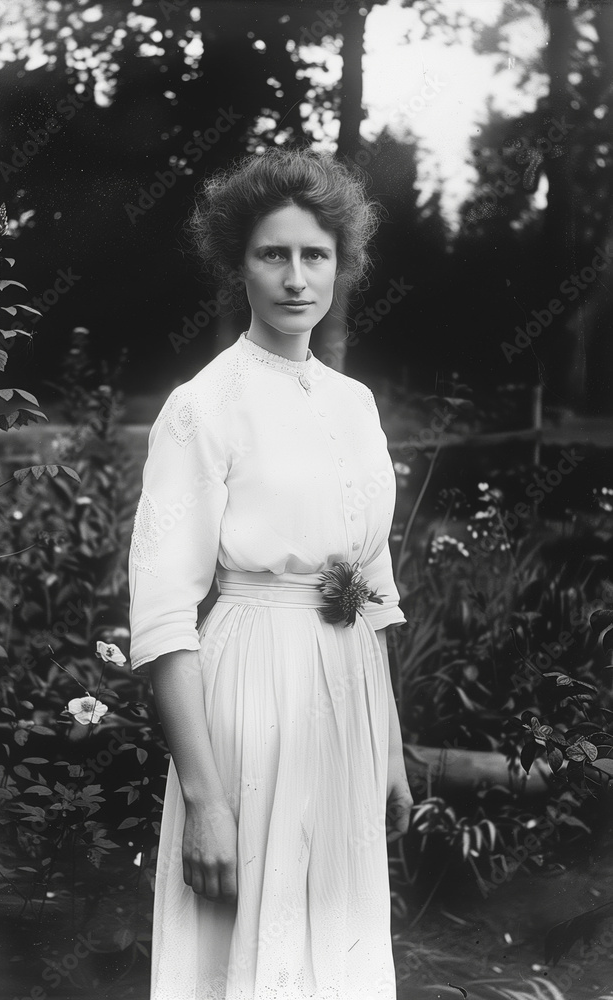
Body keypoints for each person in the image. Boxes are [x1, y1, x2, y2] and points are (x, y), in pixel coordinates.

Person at [128, 147, 413, 1000]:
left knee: (333, 952)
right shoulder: (202, 406)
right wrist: (206, 800)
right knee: (247, 949)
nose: (295, 278)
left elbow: (373, 591)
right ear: (237, 264)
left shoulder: (354, 404)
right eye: (272, 254)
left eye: (314, 255)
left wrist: (388, 750)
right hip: (251, 696)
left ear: (341, 263)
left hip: (347, 700)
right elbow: (164, 618)